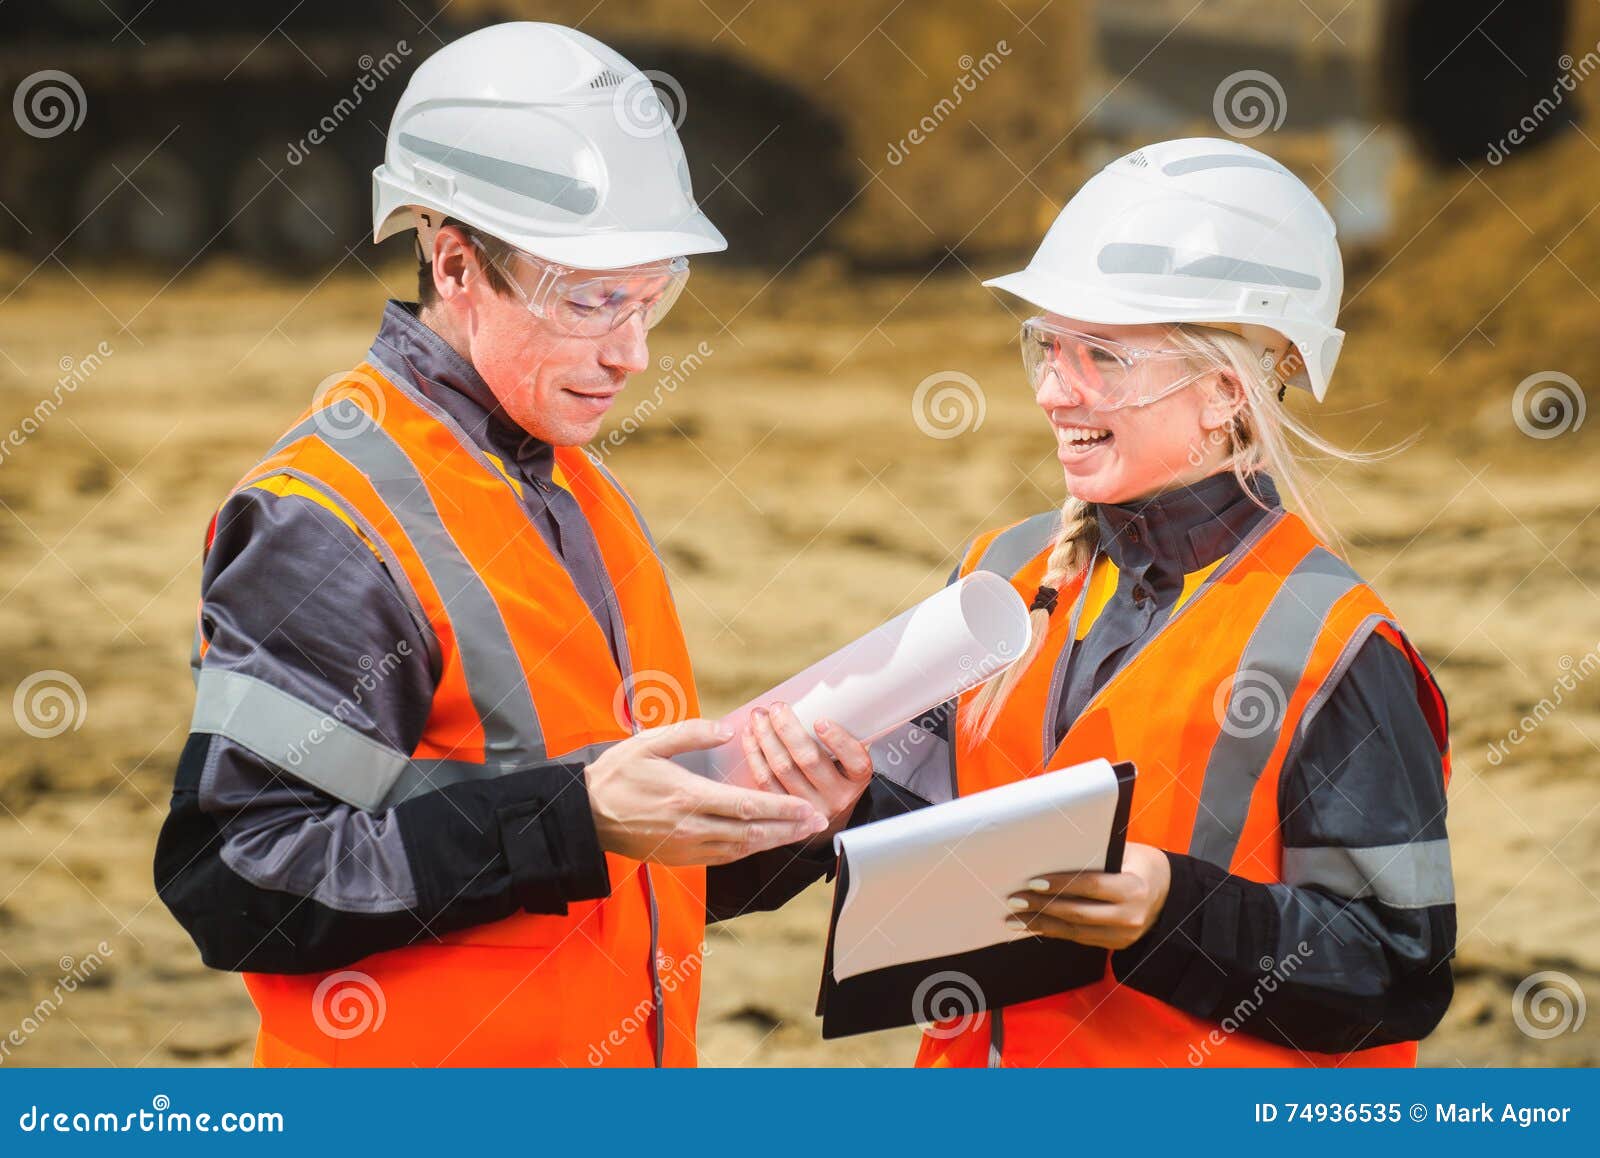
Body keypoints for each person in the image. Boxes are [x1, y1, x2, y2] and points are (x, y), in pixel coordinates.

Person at [153, 22, 909, 1068]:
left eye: (654, 300)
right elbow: (240, 877)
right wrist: (576, 819)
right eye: (595, 299)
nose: (634, 352)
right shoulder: (327, 519)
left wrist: (779, 821)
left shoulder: (577, 492)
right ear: (455, 264)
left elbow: (594, 869)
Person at [756, 137, 1455, 1066]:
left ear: (1222, 390)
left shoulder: (1333, 643)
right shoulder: (1001, 576)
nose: (1053, 390)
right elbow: (939, 854)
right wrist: (837, 811)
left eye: (1104, 356)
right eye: (1048, 346)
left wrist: (1172, 907)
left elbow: (1399, 971)